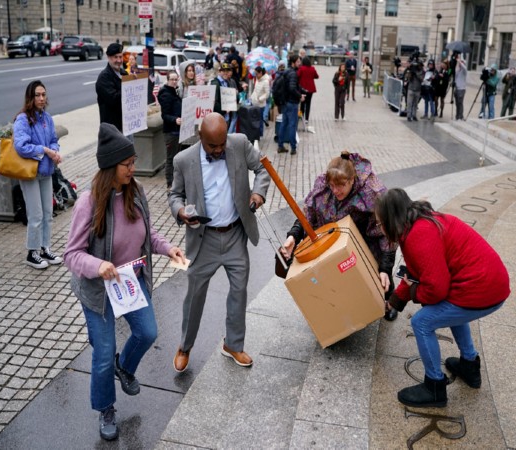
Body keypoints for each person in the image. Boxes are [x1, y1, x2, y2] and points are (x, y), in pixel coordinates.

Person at [64, 123, 186, 440]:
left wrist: (166, 247)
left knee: (147, 332)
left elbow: (148, 233)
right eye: (127, 164)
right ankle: (106, 408)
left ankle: (126, 367)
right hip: (98, 291)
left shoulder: (136, 192)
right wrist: (99, 264)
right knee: (103, 353)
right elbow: (72, 255)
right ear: (110, 166)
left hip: (131, 282)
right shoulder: (88, 204)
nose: (134, 168)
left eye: (133, 162)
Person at [377, 188, 510, 408]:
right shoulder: (418, 222)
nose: (380, 229)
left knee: (422, 322)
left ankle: (435, 387)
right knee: (451, 309)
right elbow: (415, 273)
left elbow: (436, 290)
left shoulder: (418, 235)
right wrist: (394, 302)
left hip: (484, 288)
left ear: (392, 219)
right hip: (490, 283)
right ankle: (469, 365)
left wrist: (413, 294)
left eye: (381, 223)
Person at [168, 112, 270, 373]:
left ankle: (233, 344)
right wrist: (180, 212)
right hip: (204, 238)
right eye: (213, 145)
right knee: (194, 295)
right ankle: (185, 346)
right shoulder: (183, 160)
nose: (220, 149)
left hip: (236, 233)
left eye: (222, 143)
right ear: (201, 138)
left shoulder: (239, 143)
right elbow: (175, 195)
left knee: (239, 290)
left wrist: (258, 193)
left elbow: (262, 168)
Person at [280, 151, 398, 321]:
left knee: (379, 274)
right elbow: (307, 215)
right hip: (332, 236)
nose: (335, 190)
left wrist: (385, 268)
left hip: (365, 237)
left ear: (352, 180)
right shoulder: (323, 184)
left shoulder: (372, 191)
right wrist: (293, 236)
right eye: (332, 186)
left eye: (341, 186)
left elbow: (387, 230)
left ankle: (389, 301)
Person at [13, 80, 63, 270]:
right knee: (36, 215)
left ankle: (44, 248)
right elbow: (21, 146)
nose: (42, 98)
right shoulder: (23, 119)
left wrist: (55, 151)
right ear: (30, 97)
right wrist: (45, 150)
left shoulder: (47, 118)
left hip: (46, 171)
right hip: (30, 174)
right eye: (37, 95)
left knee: (48, 214)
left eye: (44, 95)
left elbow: (53, 139)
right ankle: (32, 253)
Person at [157, 70, 182, 190]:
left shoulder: (174, 91)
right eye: (172, 79)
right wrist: (174, 120)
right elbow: (165, 115)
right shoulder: (166, 94)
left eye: (176, 79)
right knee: (170, 158)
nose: (174, 81)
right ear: (167, 80)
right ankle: (169, 184)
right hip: (171, 131)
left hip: (177, 130)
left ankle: (174, 181)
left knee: (175, 157)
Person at [96, 43, 126, 132]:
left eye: (120, 57)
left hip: (126, 125)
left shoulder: (124, 73)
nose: (119, 60)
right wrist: (128, 88)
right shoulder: (104, 77)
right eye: (115, 57)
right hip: (112, 129)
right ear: (109, 57)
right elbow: (114, 100)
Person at [277, 55, 304, 155]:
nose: (299, 63)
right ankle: (293, 147)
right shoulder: (293, 73)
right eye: (297, 61)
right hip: (292, 103)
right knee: (292, 125)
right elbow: (292, 88)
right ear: (293, 62)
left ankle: (280, 146)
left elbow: (291, 86)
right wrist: (300, 96)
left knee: (284, 124)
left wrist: (301, 90)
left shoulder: (287, 71)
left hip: (285, 102)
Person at [210, 63, 238, 129]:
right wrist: (224, 110)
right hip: (219, 117)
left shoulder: (227, 82)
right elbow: (214, 103)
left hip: (226, 117)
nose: (225, 73)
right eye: (223, 71)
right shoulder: (215, 83)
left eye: (227, 71)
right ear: (219, 71)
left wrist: (235, 95)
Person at [250, 66, 271, 139]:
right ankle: (255, 133)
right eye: (255, 74)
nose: (255, 75)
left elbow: (267, 94)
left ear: (260, 73)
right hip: (254, 102)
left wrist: (260, 98)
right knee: (254, 119)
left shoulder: (265, 81)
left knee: (260, 119)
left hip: (261, 104)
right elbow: (255, 90)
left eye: (257, 74)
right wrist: (252, 97)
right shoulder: (256, 79)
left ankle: (260, 134)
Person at [297, 56, 319, 124]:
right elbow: (317, 76)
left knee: (302, 103)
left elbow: (297, 75)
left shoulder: (301, 68)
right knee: (308, 103)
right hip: (311, 89)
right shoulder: (312, 68)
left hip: (303, 88)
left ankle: (301, 116)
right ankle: (307, 118)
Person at [454, 54, 467, 120]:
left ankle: (461, 116)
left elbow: (464, 68)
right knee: (457, 103)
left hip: (461, 89)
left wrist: (460, 62)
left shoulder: (464, 71)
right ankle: (457, 115)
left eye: (462, 62)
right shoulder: (458, 70)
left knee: (460, 102)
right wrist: (457, 64)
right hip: (456, 88)